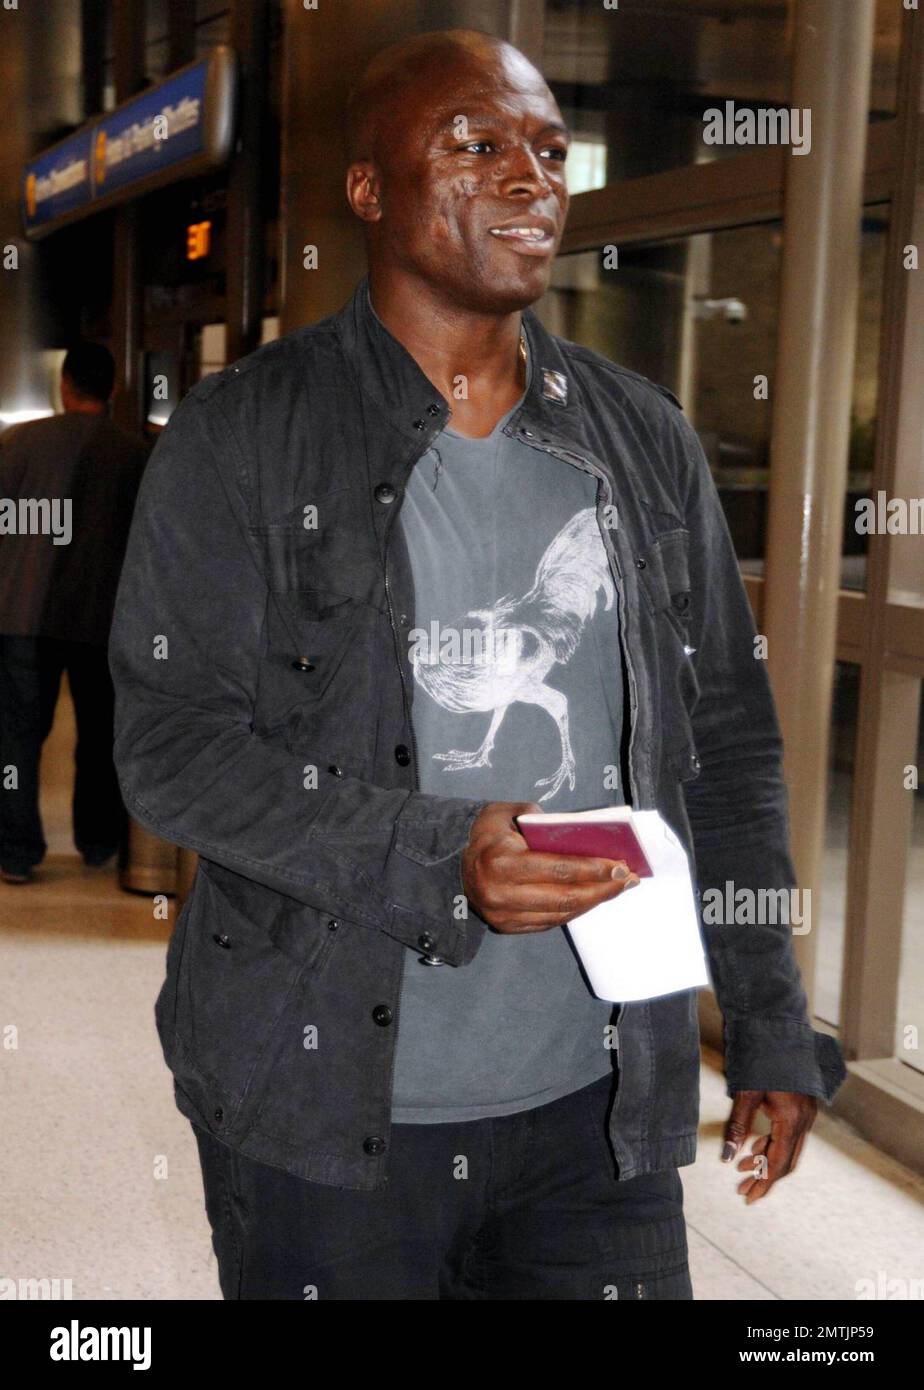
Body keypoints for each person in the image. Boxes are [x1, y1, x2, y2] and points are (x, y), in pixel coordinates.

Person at [109, 30, 846, 1300]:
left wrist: (771, 1014)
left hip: (596, 1108)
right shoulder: (244, 437)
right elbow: (172, 748)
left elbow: (724, 739)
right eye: (477, 143)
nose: (532, 177)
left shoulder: (641, 440)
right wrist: (436, 851)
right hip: (324, 1107)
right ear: (368, 192)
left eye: (551, 150)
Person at [0, 343, 148, 883]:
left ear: (63, 386)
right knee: (100, 733)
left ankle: (15, 851)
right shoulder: (133, 455)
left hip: (20, 614)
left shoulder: (16, 444)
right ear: (113, 390)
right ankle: (99, 841)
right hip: (103, 619)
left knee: (16, 737)